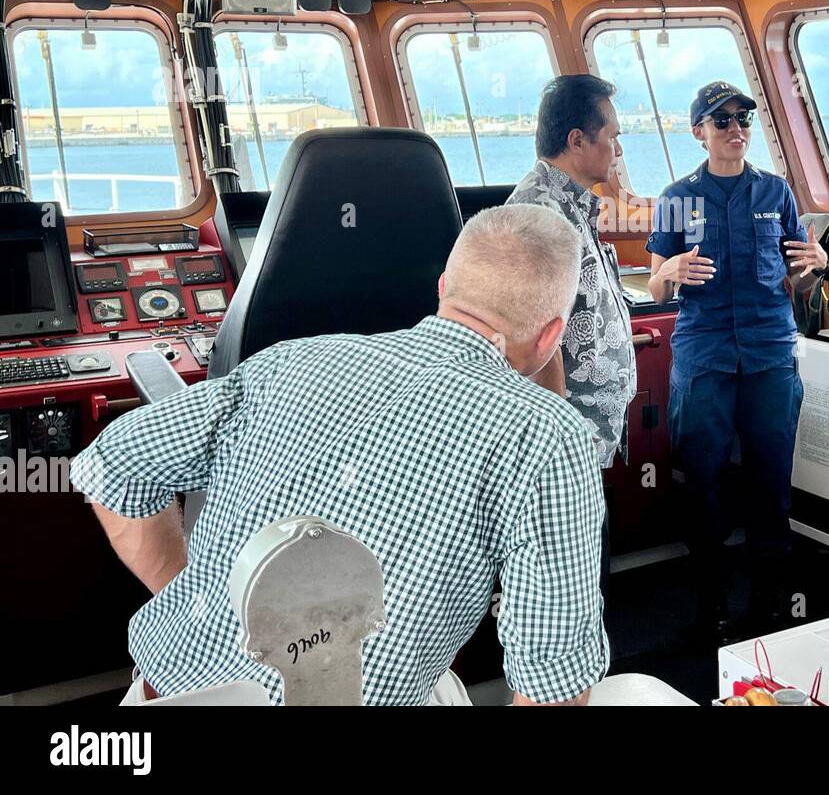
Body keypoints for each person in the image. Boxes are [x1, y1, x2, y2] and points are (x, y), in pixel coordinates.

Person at [71, 205, 609, 706]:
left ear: (444, 289)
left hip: (164, 691)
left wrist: (209, 600)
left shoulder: (288, 359)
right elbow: (551, 680)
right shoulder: (548, 436)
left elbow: (113, 464)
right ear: (549, 338)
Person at [646, 81, 826, 642]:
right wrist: (669, 272)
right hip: (705, 358)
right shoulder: (677, 195)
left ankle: (772, 610)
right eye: (721, 121)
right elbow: (653, 289)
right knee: (703, 485)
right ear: (699, 132)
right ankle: (711, 610)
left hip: (770, 355)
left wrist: (816, 264)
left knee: (771, 483)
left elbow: (796, 278)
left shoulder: (776, 193)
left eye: (743, 118)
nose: (736, 129)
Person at [506, 74, 637, 593]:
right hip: (565, 443)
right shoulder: (540, 213)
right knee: (571, 584)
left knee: (587, 574)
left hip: (584, 441)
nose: (618, 148)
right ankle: (574, 674)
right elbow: (536, 342)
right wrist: (561, 440)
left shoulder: (574, 205)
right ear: (577, 140)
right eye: (612, 135)